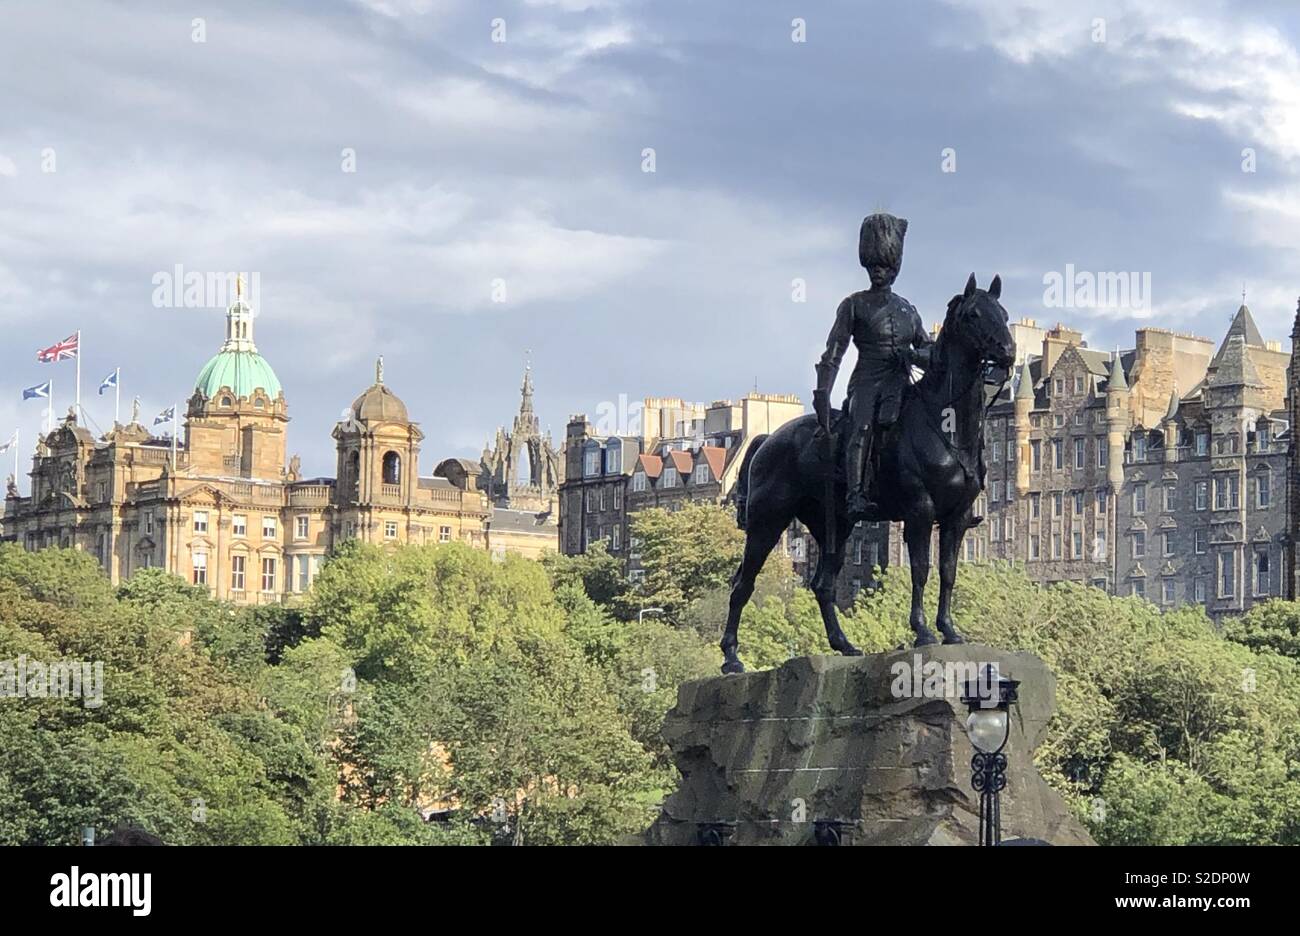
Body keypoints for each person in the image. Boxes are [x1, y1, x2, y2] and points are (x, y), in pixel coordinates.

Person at [813, 213, 931, 516]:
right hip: (867, 381)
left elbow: (928, 349)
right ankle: (855, 495)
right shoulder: (854, 304)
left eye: (885, 266)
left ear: (894, 270)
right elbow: (833, 352)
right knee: (862, 427)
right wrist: (822, 393)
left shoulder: (908, 309)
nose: (879, 272)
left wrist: (914, 357)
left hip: (900, 382)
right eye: (874, 266)